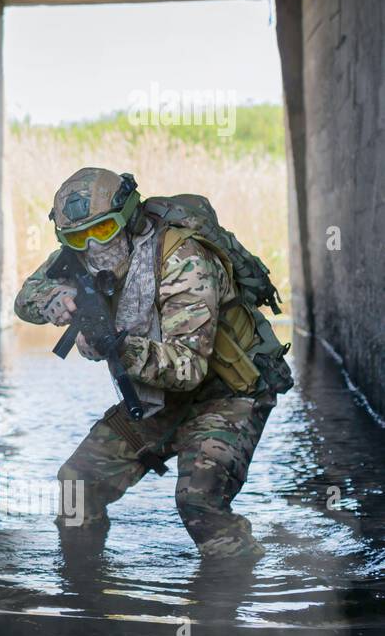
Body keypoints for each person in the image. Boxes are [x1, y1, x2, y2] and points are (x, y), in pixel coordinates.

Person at [15, 167, 292, 559]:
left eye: (103, 231)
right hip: (156, 398)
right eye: (78, 238)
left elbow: (187, 368)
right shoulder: (79, 258)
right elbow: (25, 297)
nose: (93, 247)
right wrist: (54, 298)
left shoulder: (183, 259)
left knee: (199, 504)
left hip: (228, 394)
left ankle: (237, 595)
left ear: (127, 218)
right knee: (76, 484)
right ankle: (82, 594)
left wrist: (115, 347)